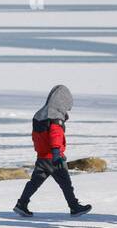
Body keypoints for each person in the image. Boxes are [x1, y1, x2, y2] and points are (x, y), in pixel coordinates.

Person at [12, 85, 93, 218]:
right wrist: (56, 152)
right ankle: (74, 207)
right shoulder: (55, 116)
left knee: (34, 182)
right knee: (66, 183)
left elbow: (36, 136)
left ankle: (22, 204)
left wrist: (40, 150)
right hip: (54, 158)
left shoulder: (40, 114)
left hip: (42, 156)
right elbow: (55, 134)